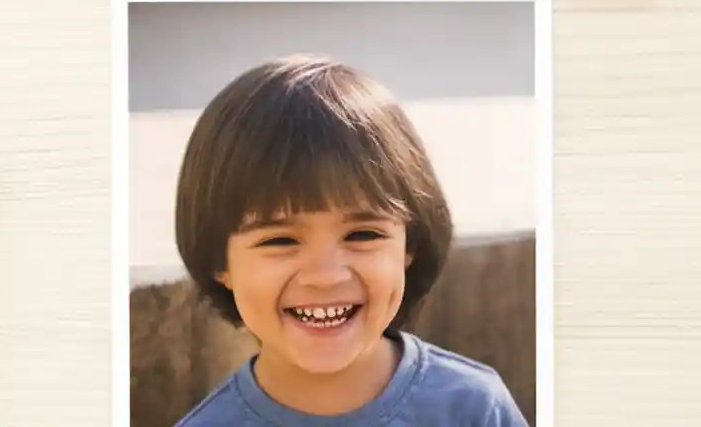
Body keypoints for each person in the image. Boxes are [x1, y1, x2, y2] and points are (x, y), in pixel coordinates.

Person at [173, 55, 529, 426]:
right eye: (279, 240)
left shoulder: (473, 409)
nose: (325, 276)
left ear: (409, 245)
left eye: (362, 234)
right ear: (220, 262)